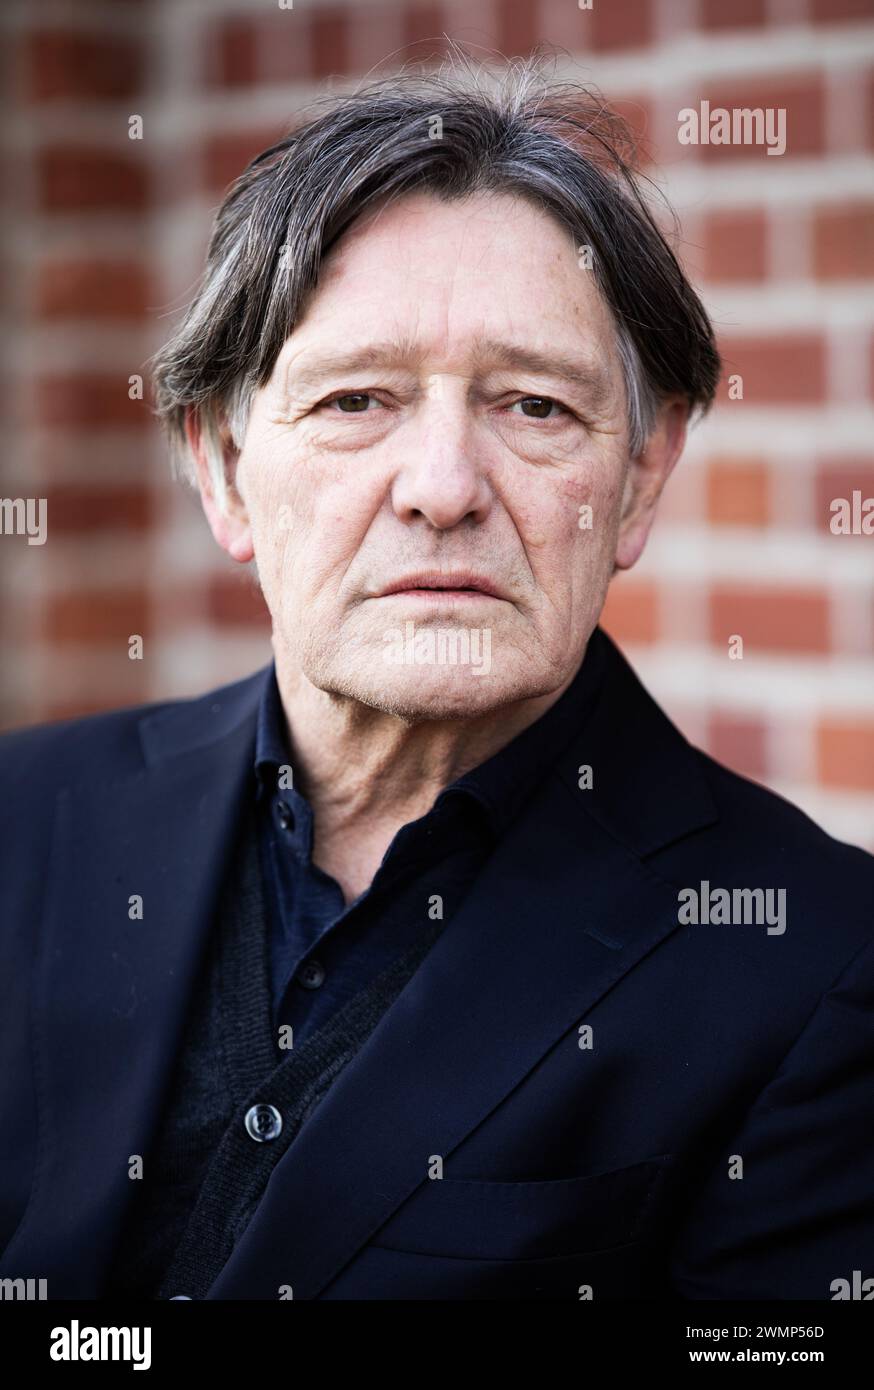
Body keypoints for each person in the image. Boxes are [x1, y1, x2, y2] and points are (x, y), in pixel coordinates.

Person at [2, 56, 872, 1302]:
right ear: (223, 469)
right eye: (358, 399)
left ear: (638, 475)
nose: (444, 486)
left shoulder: (819, 962)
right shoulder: (26, 819)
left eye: (533, 406)